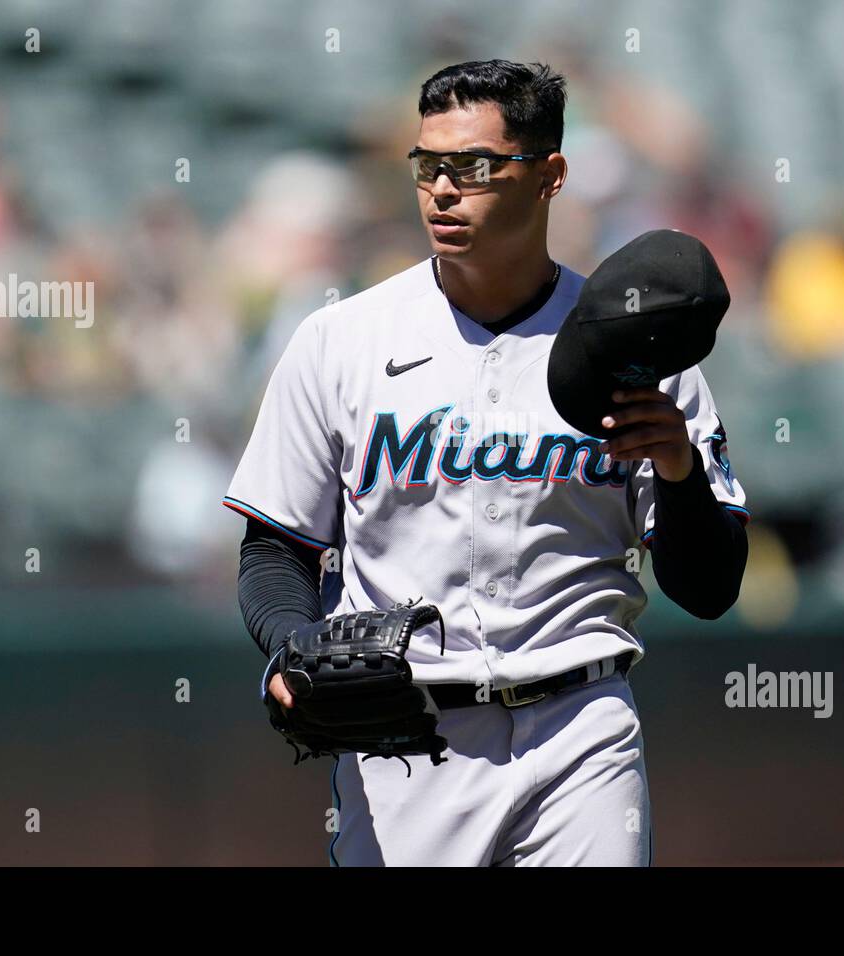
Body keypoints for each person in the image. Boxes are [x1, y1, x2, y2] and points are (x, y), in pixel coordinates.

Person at [225, 60, 749, 866]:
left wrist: (679, 470)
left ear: (551, 175)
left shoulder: (634, 348)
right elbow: (275, 545)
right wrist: (293, 647)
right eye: (426, 167)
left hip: (583, 726)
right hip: (406, 739)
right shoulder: (341, 342)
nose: (442, 189)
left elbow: (709, 588)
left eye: (471, 167)